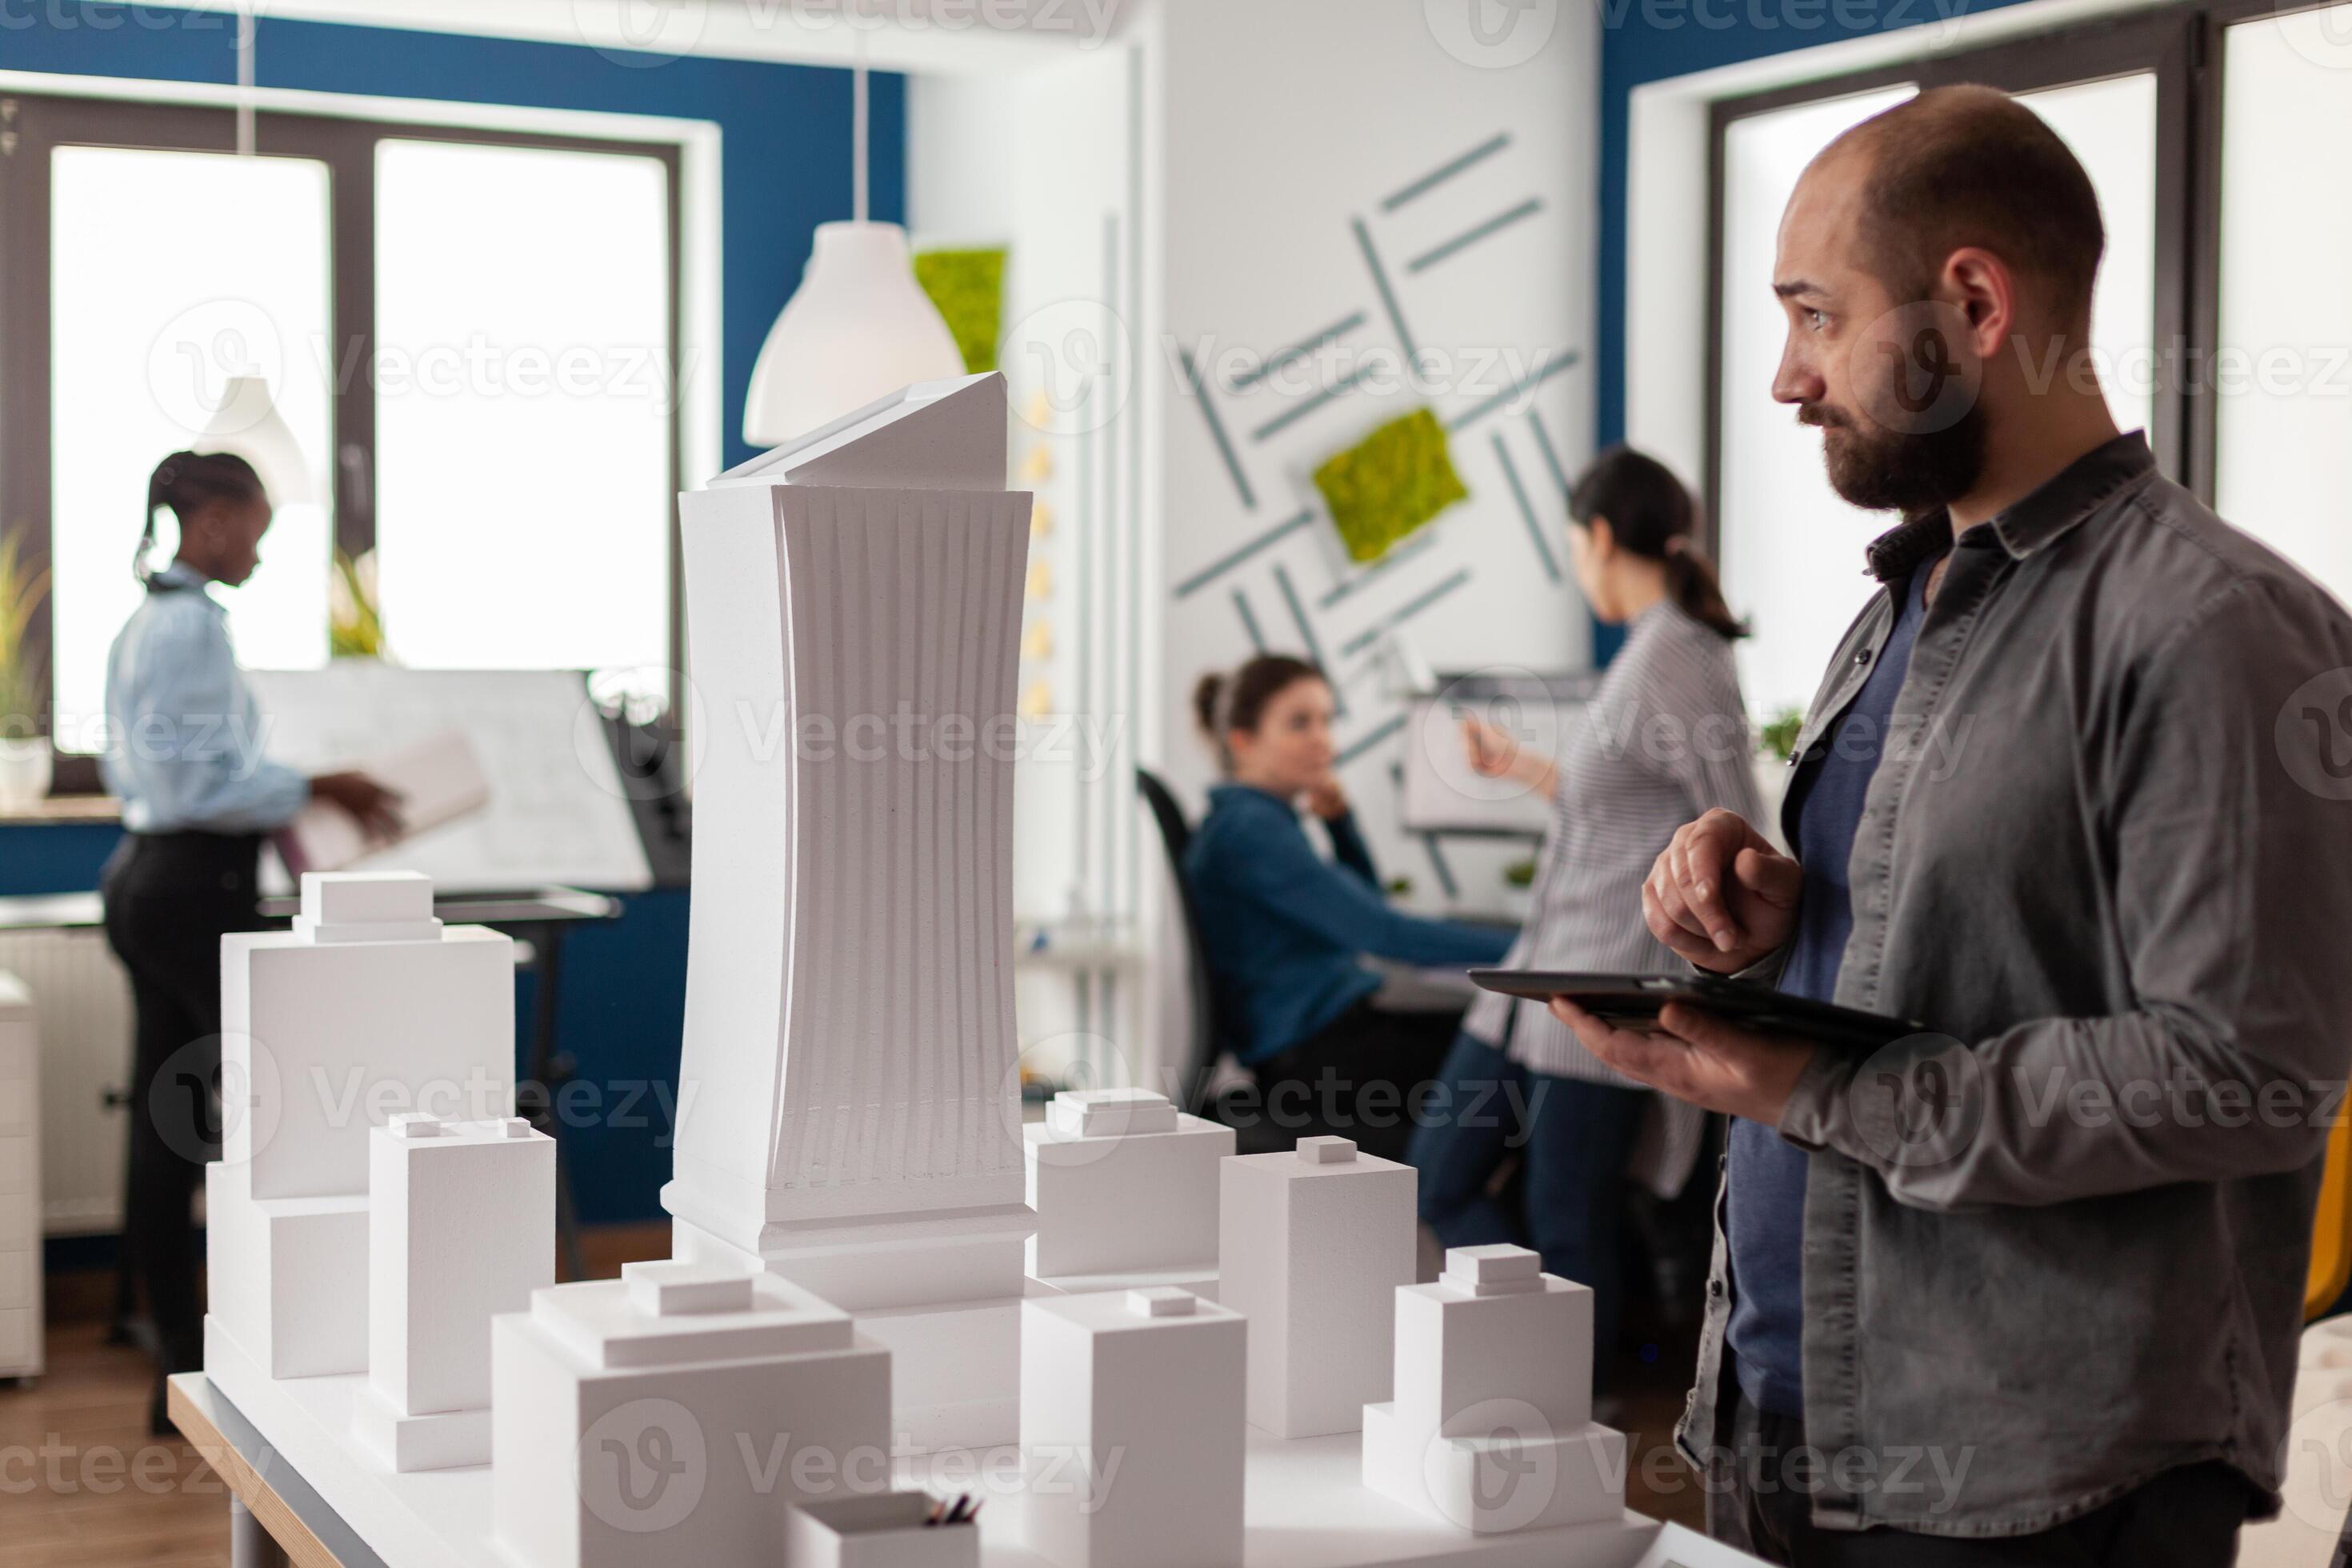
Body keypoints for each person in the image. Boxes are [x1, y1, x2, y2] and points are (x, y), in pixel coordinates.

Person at [1546, 86, 2352, 1566]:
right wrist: (1780, 915)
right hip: (1785, 1426)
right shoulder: (1898, 607)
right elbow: (1970, 945)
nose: (1788, 378)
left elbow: (2247, 1074)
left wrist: (1818, 1090)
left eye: (1814, 315)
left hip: (2032, 1487)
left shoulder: (2221, 632)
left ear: (1972, 302)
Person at [1409, 446, 1760, 1392]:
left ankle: (1570, 1404)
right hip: (1540, 972)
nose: (1576, 561)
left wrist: (1720, 981)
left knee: (1568, 1217)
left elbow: (1740, 828)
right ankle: (1532, 1364)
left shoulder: (1681, 655)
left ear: (1600, 536)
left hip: (1601, 982)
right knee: (1436, 1179)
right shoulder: (1646, 652)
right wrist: (1521, 766)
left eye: (1573, 543)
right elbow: (1620, 809)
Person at [100, 449, 401, 1431]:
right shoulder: (187, 631)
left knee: (168, 1119)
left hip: (155, 882)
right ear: (215, 518)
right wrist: (321, 785)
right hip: (191, 888)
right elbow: (199, 790)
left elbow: (185, 771)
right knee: (244, 1120)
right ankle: (219, 1365)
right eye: (260, 527)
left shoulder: (154, 622)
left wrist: (300, 786)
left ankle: (183, 1369)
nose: (264, 551)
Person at [1184, 654, 1511, 1159]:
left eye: (1327, 720)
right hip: (1318, 1055)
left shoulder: (1257, 819)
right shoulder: (1250, 830)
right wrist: (1531, 946)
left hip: (1324, 1042)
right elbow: (1383, 934)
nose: (1323, 739)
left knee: (1496, 1035)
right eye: (1300, 723)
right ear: (1242, 741)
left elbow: (1365, 912)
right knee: (1512, 1042)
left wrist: (1340, 825)